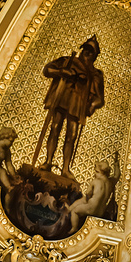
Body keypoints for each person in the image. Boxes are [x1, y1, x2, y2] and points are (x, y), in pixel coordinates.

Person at [34, 36, 105, 179]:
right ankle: (48, 161)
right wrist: (62, 72)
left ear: (95, 56)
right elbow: (47, 70)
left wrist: (90, 107)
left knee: (71, 135)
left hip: (77, 105)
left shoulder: (96, 74)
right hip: (61, 98)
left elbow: (100, 98)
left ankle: (65, 169)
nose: (87, 53)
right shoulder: (67, 61)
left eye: (91, 51)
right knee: (55, 127)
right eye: (86, 49)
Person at [66, 153, 120, 232]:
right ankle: (69, 209)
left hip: (91, 208)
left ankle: (74, 228)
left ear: (103, 172)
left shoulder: (96, 181)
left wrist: (87, 200)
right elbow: (117, 175)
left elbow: (88, 194)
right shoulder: (110, 182)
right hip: (101, 211)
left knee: (75, 211)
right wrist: (116, 164)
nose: (95, 174)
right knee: (82, 200)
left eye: (97, 172)